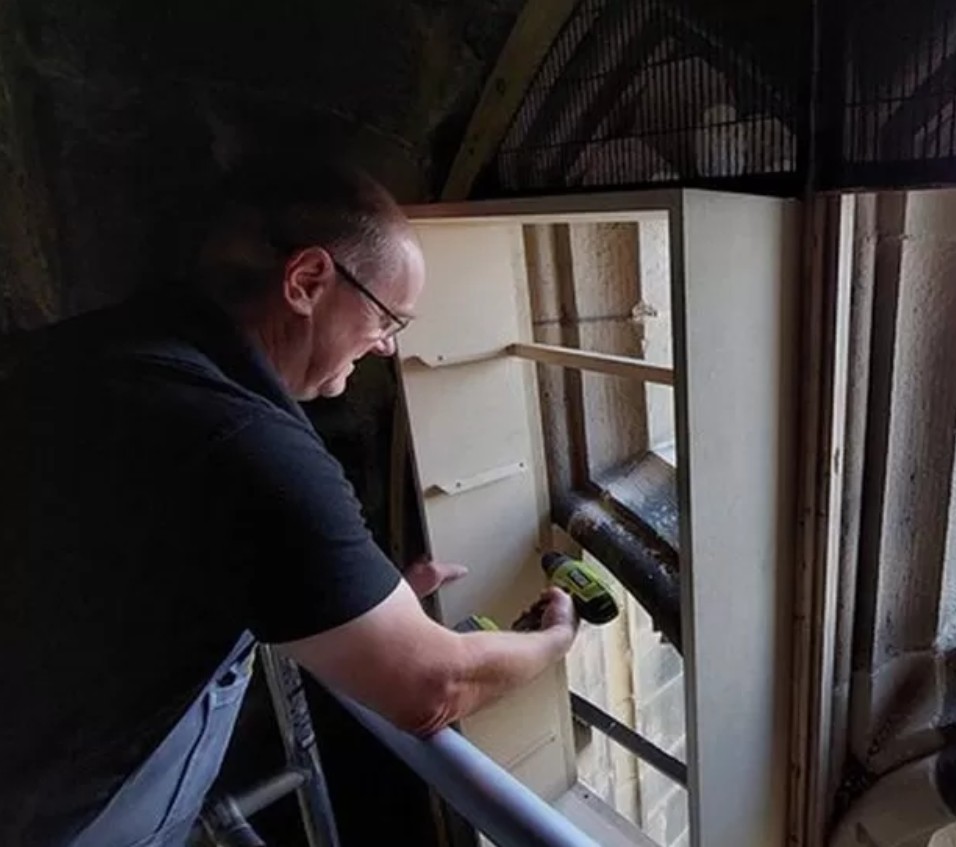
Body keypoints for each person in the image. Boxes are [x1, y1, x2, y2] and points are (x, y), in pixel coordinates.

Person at [0, 159, 579, 846]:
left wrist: (358, 592)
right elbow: (433, 690)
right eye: (389, 317)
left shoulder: (98, 347)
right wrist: (551, 641)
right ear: (307, 281)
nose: (389, 347)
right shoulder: (248, 446)